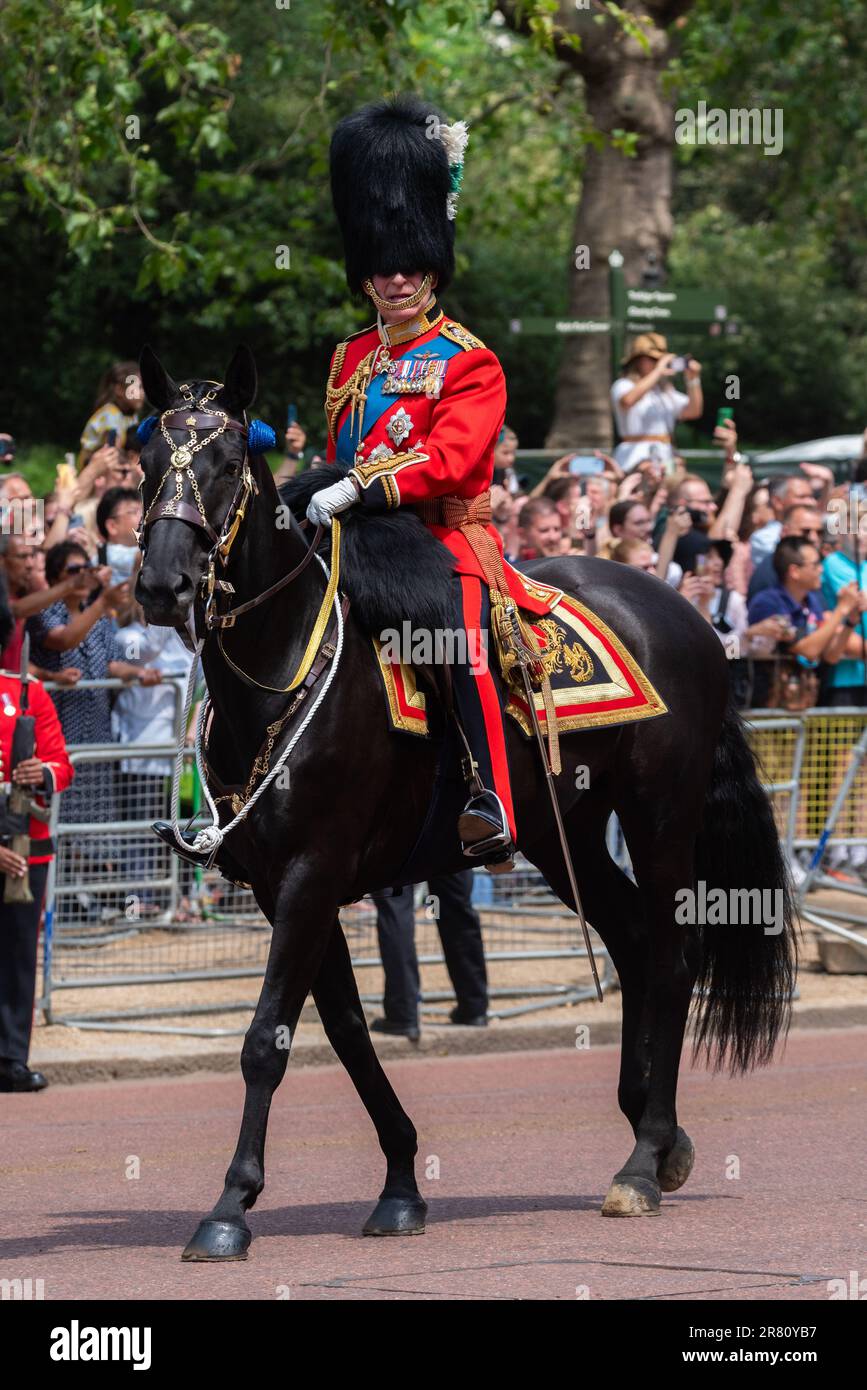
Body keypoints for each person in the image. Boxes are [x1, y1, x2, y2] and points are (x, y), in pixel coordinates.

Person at [301, 94, 567, 871]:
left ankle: (489, 798)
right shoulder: (350, 359)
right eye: (380, 267)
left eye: (407, 265)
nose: (393, 279)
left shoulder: (467, 359)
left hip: (444, 536)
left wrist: (359, 490)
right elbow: (335, 447)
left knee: (458, 641)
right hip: (352, 539)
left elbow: (449, 461)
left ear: (431, 265)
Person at [0, 597, 74, 1092]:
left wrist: (39, 772)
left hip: (27, 842)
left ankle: (9, 1057)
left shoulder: (28, 695)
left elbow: (62, 765)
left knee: (17, 955)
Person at [369, 871, 488, 1039]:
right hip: (448, 845)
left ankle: (403, 1015)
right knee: (457, 909)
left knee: (396, 907)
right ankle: (474, 1008)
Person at [748, 537, 860, 708]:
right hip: (770, 706)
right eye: (815, 565)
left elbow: (830, 655)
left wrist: (850, 622)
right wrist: (841, 609)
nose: (821, 569)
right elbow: (807, 651)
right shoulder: (768, 602)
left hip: (805, 703)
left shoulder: (812, 601)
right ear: (794, 571)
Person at [610, 333, 703, 474]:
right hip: (633, 459)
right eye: (652, 359)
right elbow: (628, 401)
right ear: (637, 360)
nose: (656, 363)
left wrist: (693, 379)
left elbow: (693, 411)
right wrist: (658, 371)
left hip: (666, 458)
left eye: (659, 359)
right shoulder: (623, 384)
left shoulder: (665, 391)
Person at [747, 502, 825, 600]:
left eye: (819, 533)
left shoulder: (813, 568)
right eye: (805, 531)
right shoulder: (771, 572)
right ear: (784, 532)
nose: (814, 538)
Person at [78, 362, 144, 469]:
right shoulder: (110, 414)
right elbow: (113, 451)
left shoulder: (130, 416)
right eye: (138, 387)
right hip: (94, 469)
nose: (143, 393)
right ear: (119, 390)